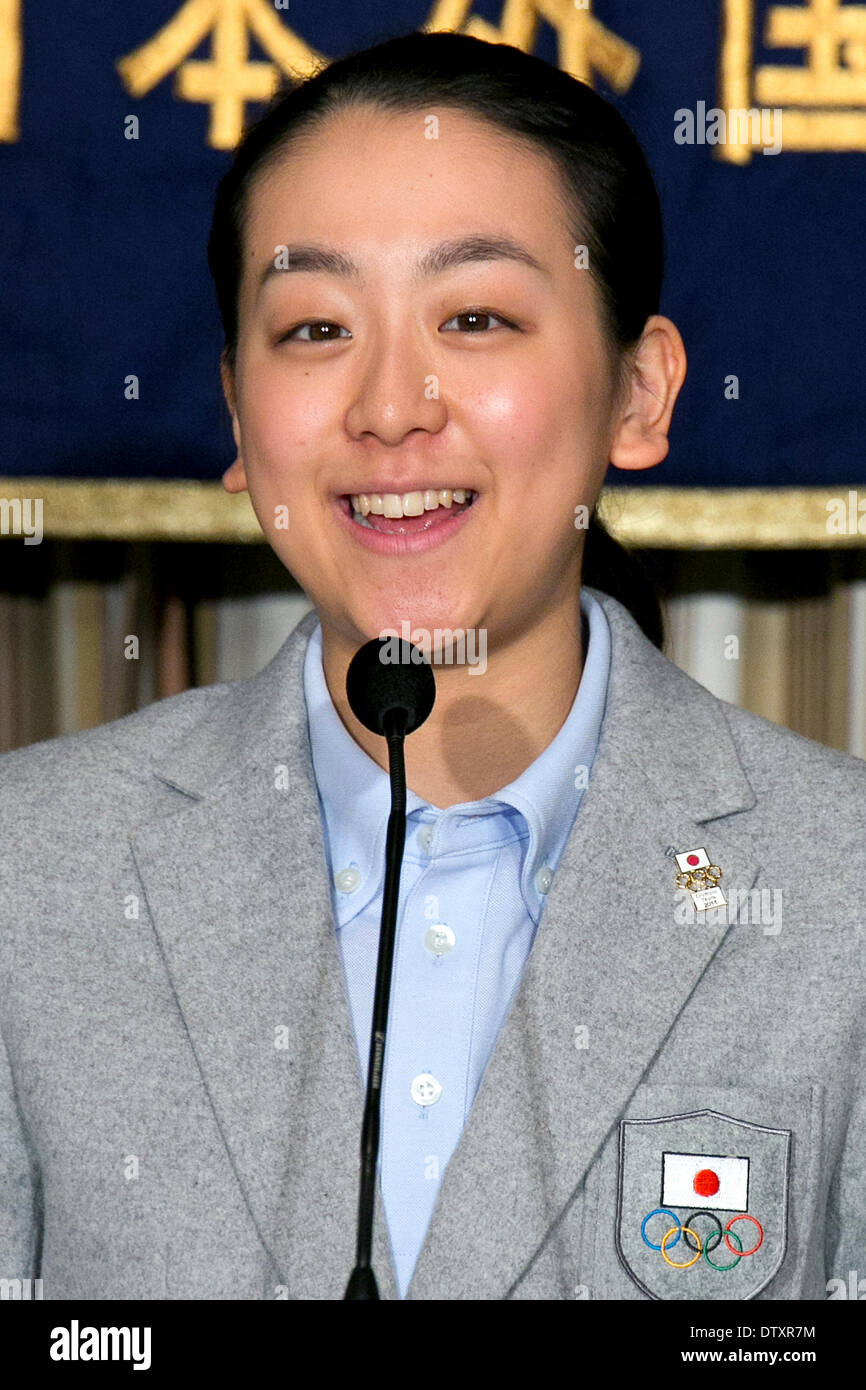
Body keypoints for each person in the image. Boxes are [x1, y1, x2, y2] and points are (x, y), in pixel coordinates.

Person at [1, 29, 864, 1303]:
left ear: (638, 390)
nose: (390, 405)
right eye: (312, 327)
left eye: (473, 315)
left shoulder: (835, 885)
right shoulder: (33, 875)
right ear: (237, 414)